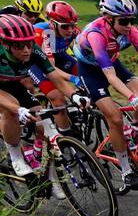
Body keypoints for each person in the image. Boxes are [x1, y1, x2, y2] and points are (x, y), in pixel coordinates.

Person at [70, 0, 138, 189]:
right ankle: (126, 169)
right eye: (124, 21)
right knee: (115, 117)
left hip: (113, 62)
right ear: (108, 19)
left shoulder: (132, 31)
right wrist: (131, 98)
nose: (129, 25)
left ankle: (134, 131)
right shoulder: (97, 34)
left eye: (131, 20)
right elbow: (110, 78)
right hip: (90, 70)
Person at [0, 14, 81, 177]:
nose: (26, 50)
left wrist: (74, 96)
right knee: (11, 111)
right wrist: (18, 110)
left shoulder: (33, 50)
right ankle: (16, 158)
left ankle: (49, 175)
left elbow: (55, 78)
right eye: (19, 46)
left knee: (43, 122)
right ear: (5, 45)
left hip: (12, 82)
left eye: (28, 44)